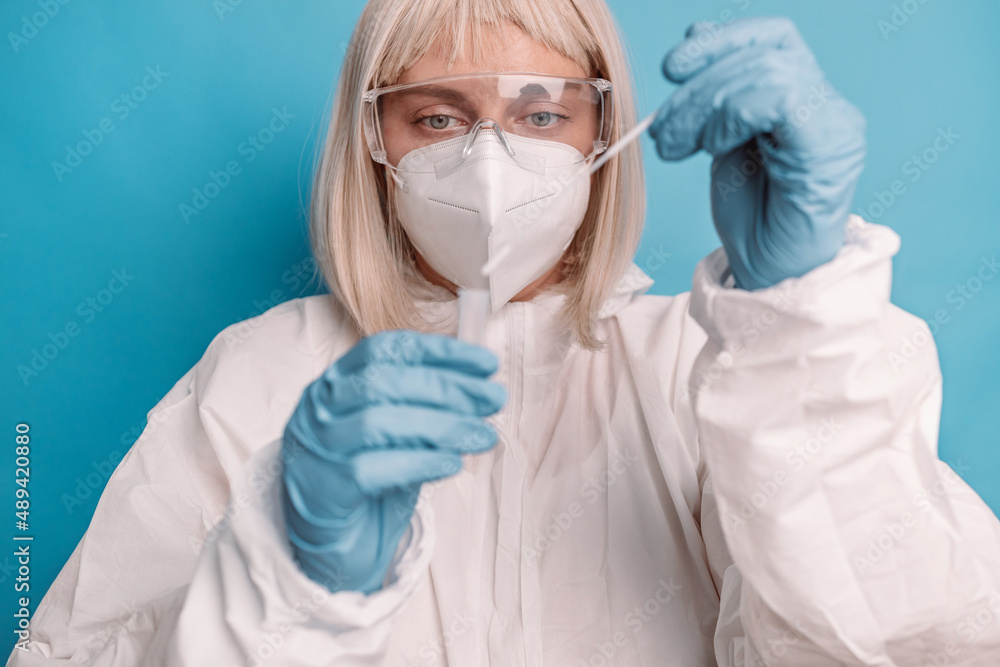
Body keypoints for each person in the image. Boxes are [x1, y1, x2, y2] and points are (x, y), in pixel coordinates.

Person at [10, 0, 1000, 664]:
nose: (488, 162)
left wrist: (797, 322)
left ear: (600, 140)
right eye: (437, 119)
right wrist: (290, 563)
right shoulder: (265, 373)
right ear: (374, 140)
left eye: (541, 116)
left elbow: (909, 635)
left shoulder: (705, 366)